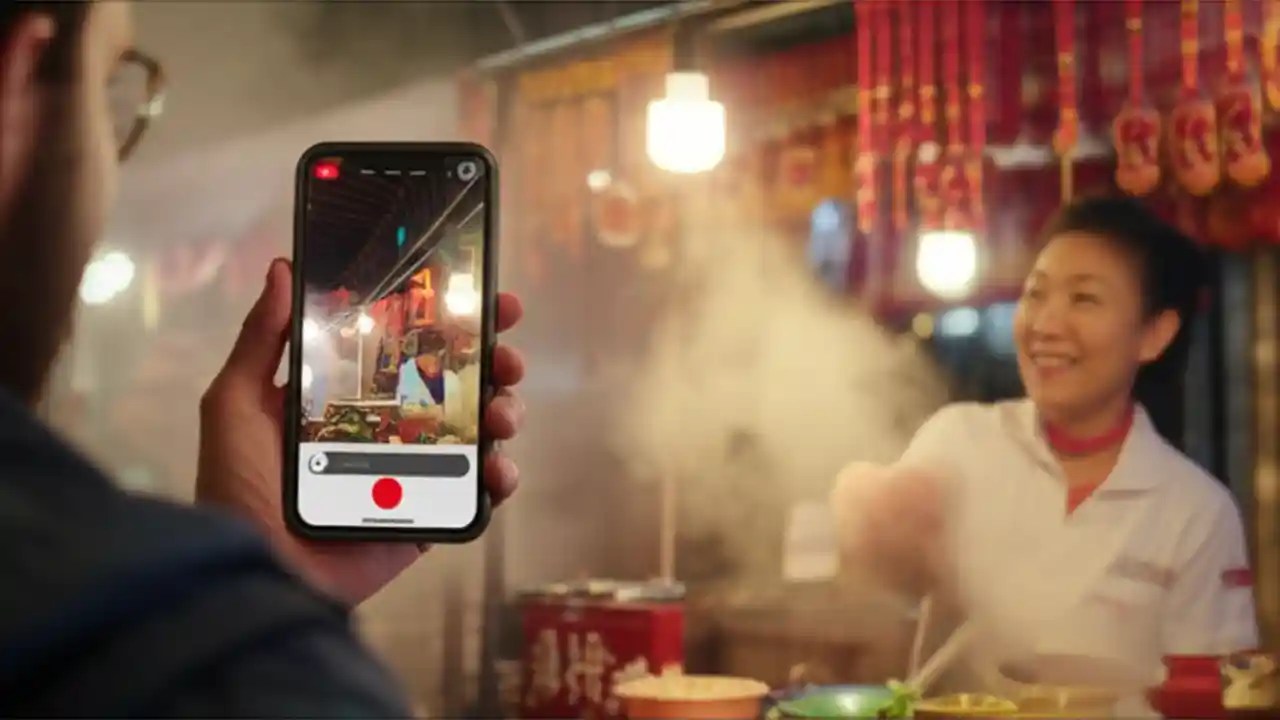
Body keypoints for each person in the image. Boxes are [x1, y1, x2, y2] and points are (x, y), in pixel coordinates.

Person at [0, 2, 526, 715]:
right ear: (20, 75)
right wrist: (251, 619)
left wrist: (269, 576)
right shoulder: (235, 678)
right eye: (111, 89)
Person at [831, 197, 1258, 708]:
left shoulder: (1196, 512)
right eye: (1036, 295)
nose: (1046, 325)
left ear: (1154, 334)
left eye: (1084, 299)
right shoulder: (959, 440)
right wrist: (869, 527)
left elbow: (1216, 696)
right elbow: (884, 586)